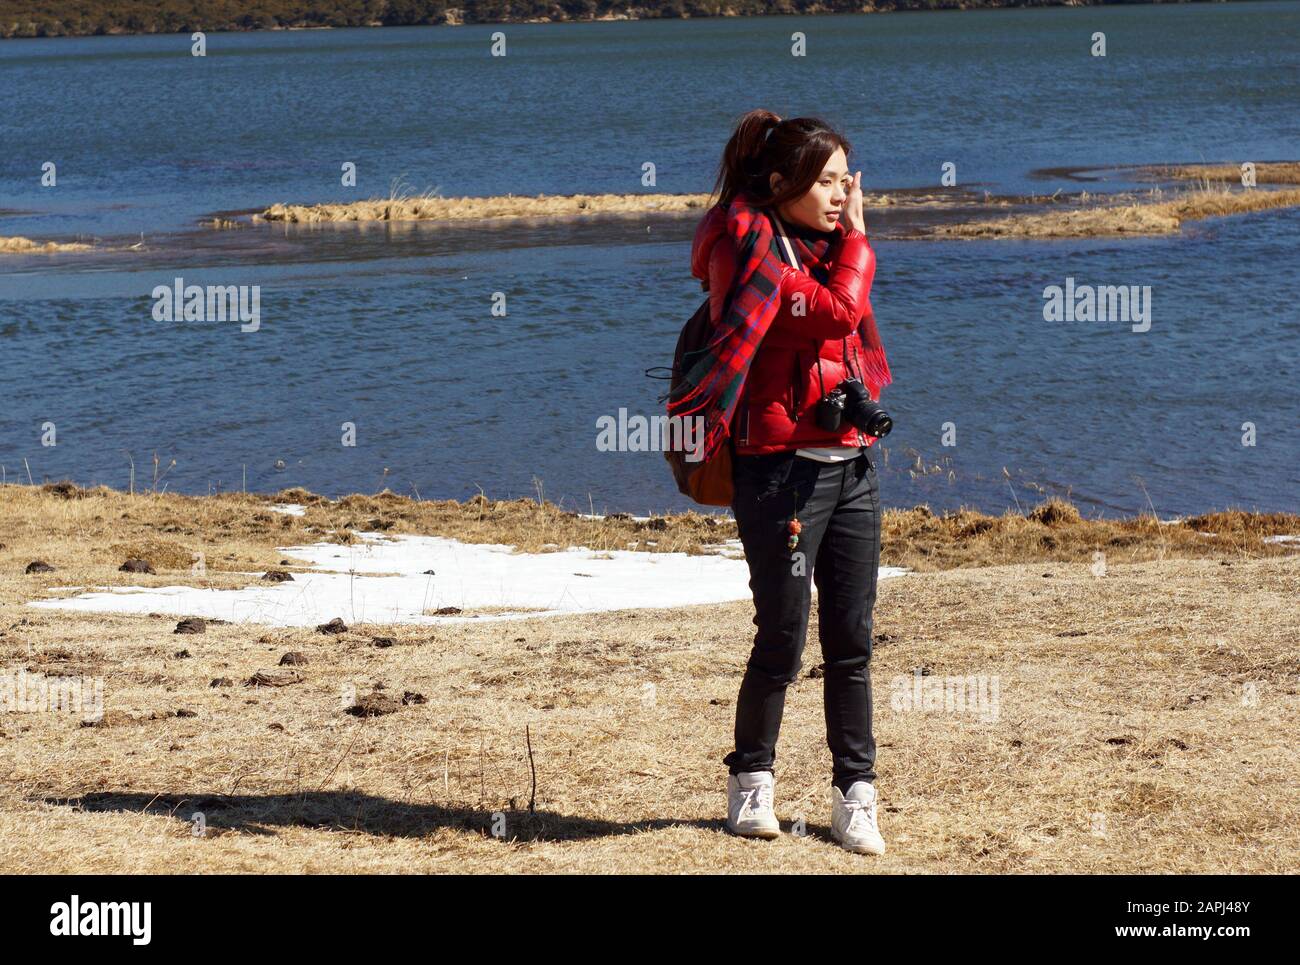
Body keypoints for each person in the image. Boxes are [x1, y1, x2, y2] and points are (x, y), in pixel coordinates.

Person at [681, 109, 892, 855]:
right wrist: (860, 240)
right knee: (781, 636)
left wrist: (847, 243)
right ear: (781, 185)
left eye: (845, 181)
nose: (841, 196)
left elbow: (844, 330)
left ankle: (856, 797)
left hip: (852, 463)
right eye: (826, 182)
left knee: (853, 641)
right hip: (780, 470)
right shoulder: (748, 253)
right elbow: (839, 313)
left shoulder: (826, 248)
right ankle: (751, 785)